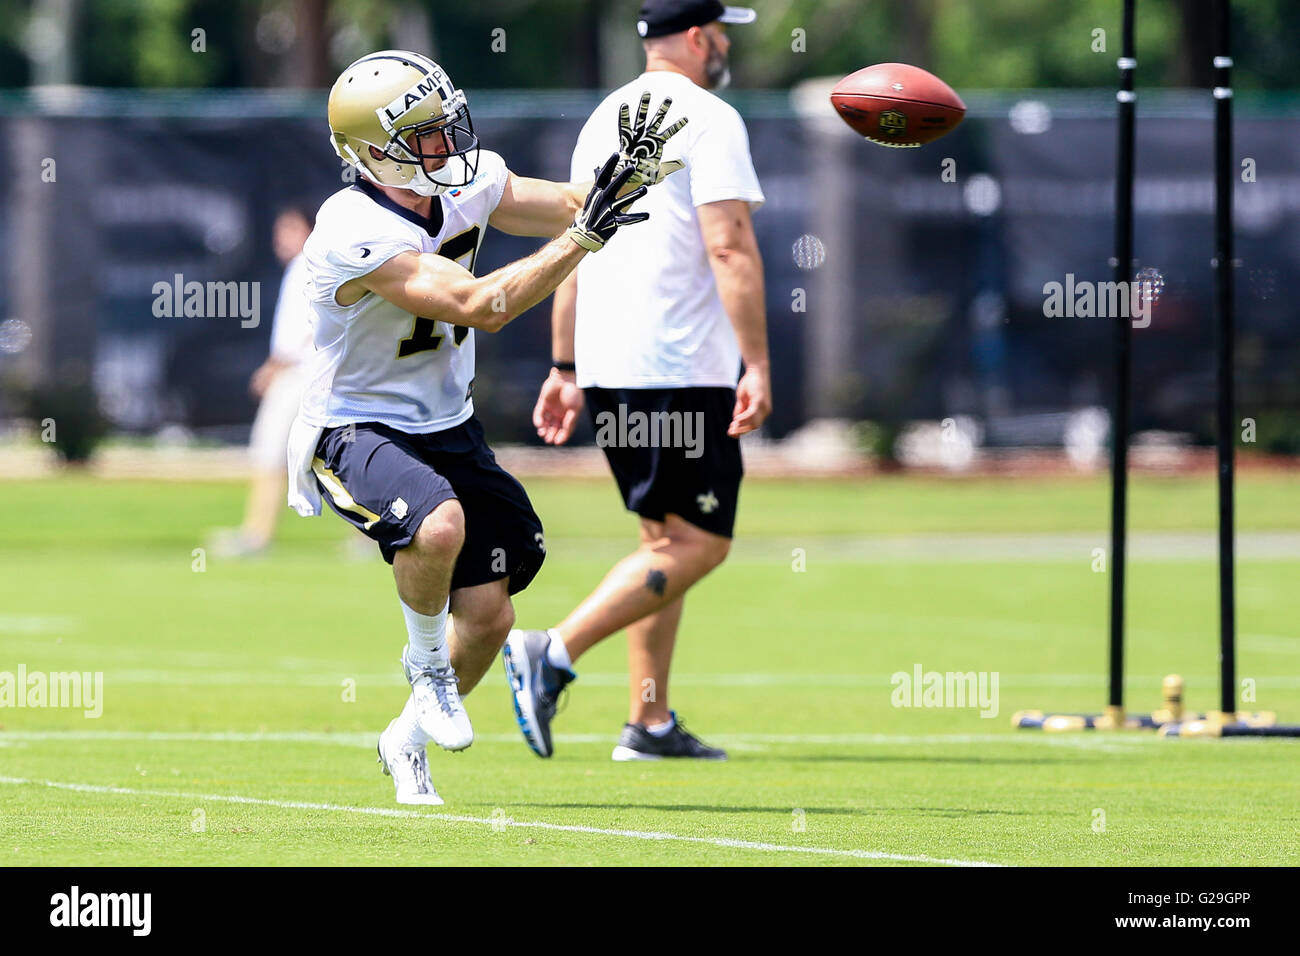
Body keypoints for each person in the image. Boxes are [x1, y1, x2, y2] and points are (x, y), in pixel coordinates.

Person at [285, 50, 684, 804]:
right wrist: (584, 239)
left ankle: (403, 739)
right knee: (435, 528)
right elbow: (481, 306)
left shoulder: (463, 180)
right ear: (376, 152)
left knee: (491, 615)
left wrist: (631, 174)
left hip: (448, 423)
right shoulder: (352, 226)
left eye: (446, 123)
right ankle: (427, 668)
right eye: (427, 133)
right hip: (355, 425)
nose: (449, 142)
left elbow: (566, 203)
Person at [504, 0, 770, 761]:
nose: (723, 47)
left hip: (614, 366)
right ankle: (551, 651)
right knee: (701, 543)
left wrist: (565, 365)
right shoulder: (710, 117)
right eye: (720, 33)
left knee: (664, 537)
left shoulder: (601, 119)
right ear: (696, 37)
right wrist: (757, 361)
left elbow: (576, 244)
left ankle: (647, 722)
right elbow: (729, 246)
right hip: (681, 368)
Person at [211, 204, 315, 557]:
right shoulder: (304, 269)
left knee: (269, 451)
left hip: (299, 374)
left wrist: (274, 368)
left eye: (289, 229)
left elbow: (307, 331)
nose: (279, 239)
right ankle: (371, 538)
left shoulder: (308, 267)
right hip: (306, 374)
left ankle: (257, 535)